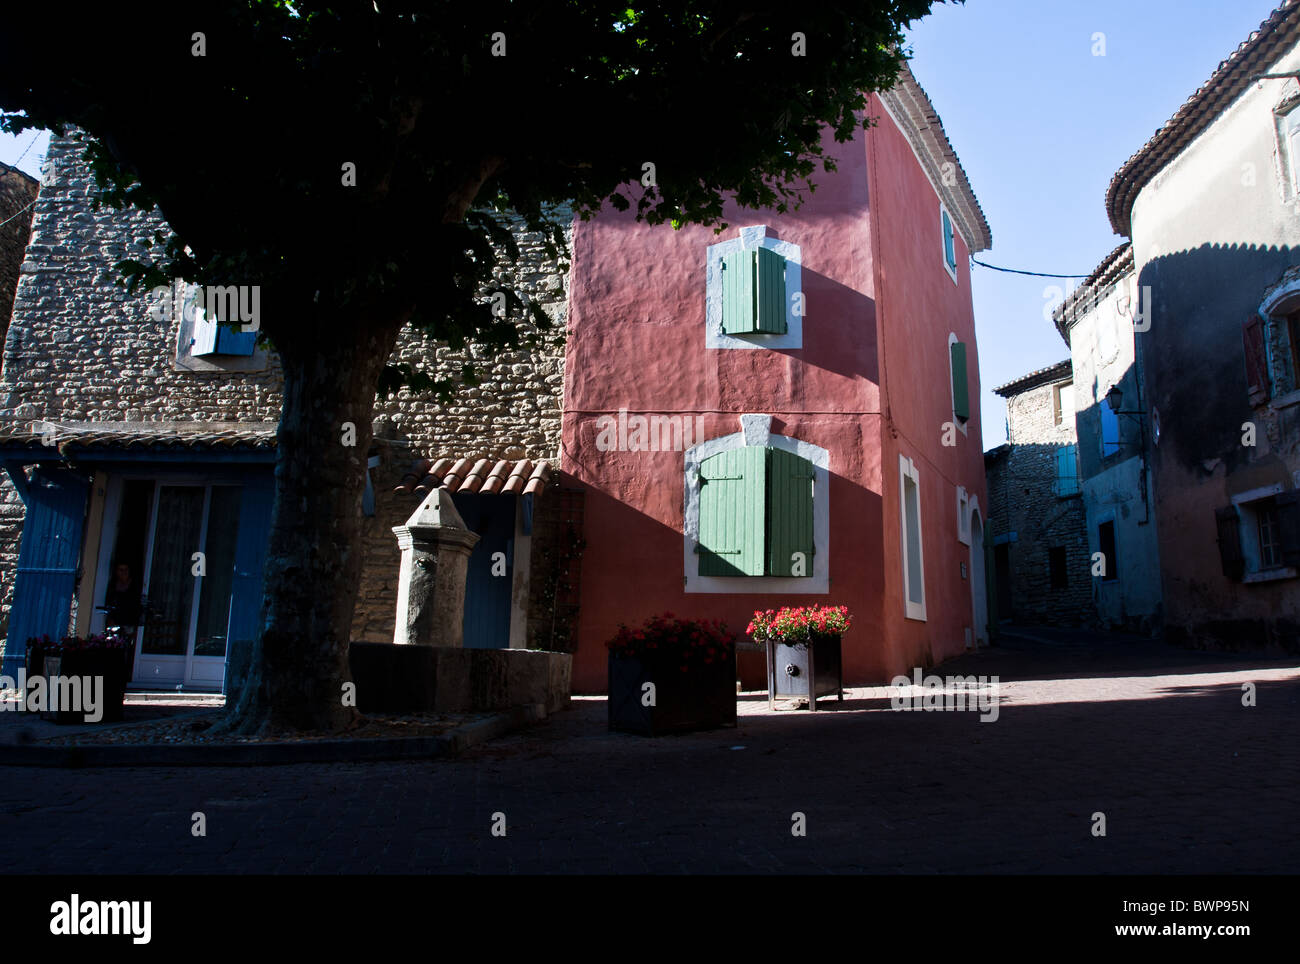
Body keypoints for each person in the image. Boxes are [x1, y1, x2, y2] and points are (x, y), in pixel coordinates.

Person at [104, 562, 142, 677]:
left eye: (126, 570)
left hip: (129, 620)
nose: (123, 573)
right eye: (121, 570)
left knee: (128, 648)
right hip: (115, 620)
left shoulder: (134, 586)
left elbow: (136, 604)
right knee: (113, 646)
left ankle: (126, 673)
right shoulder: (113, 585)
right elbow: (109, 602)